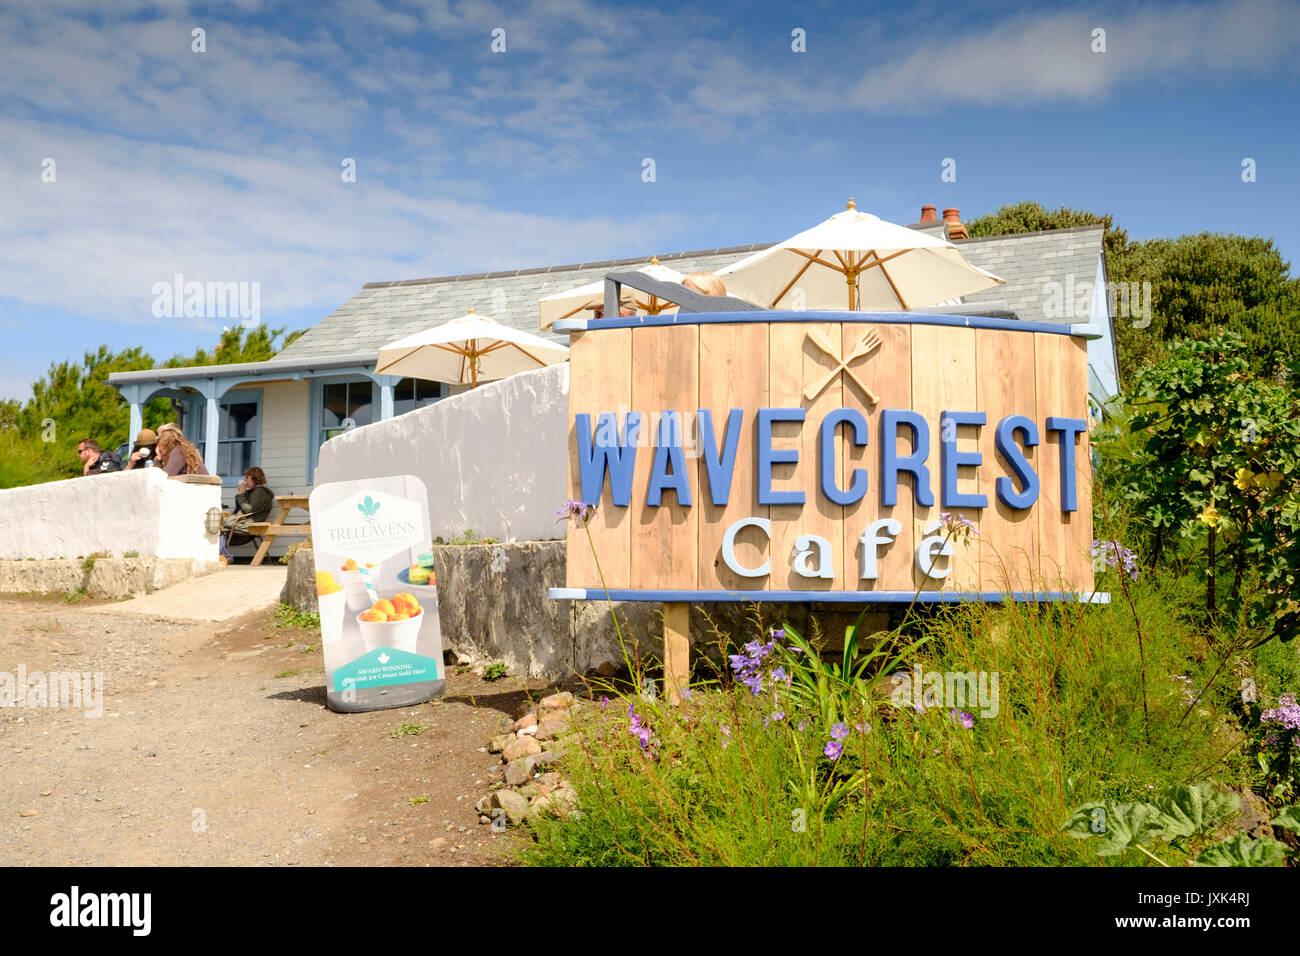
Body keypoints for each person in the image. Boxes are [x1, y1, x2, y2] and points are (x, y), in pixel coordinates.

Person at [220, 466, 275, 562]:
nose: (245, 480)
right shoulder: (255, 491)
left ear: (254, 478)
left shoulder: (260, 492)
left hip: (247, 524)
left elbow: (247, 510)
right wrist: (242, 493)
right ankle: (222, 554)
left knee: (217, 526)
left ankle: (224, 556)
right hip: (243, 522)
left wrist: (242, 493)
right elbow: (241, 506)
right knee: (217, 525)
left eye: (247, 478)